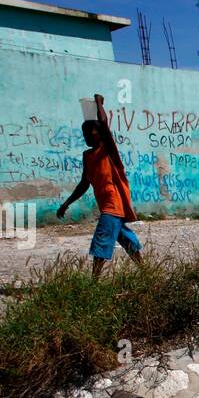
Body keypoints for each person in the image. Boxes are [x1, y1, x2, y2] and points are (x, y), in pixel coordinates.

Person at [57, 94, 143, 278]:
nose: (87, 136)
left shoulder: (108, 151)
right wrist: (67, 203)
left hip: (113, 205)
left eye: (91, 132)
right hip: (108, 207)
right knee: (126, 240)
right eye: (85, 133)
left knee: (101, 241)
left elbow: (104, 125)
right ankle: (146, 273)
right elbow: (84, 183)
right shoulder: (88, 156)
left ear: (99, 134)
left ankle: (93, 284)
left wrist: (98, 104)